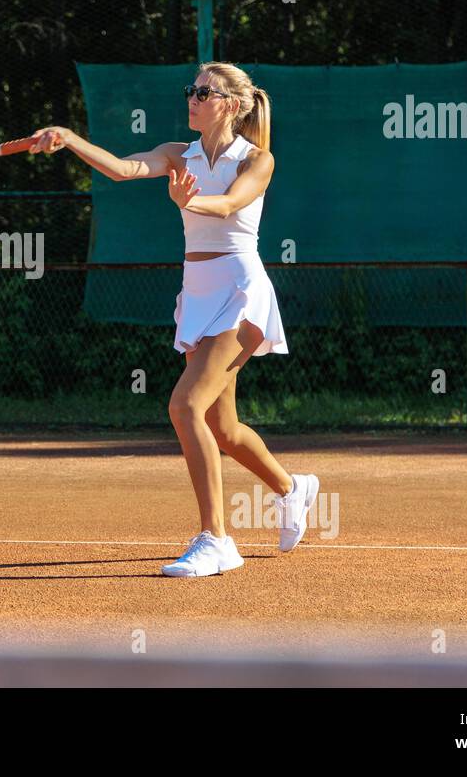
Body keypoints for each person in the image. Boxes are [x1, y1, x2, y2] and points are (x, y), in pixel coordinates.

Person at [27, 61, 320, 577]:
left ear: (229, 104)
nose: (191, 98)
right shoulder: (175, 154)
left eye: (202, 92)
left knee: (184, 405)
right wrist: (70, 138)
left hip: (240, 290)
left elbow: (231, 203)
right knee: (222, 427)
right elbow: (122, 168)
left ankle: (217, 540)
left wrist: (194, 201)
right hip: (198, 290)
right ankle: (292, 488)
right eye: (191, 90)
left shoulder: (257, 160)